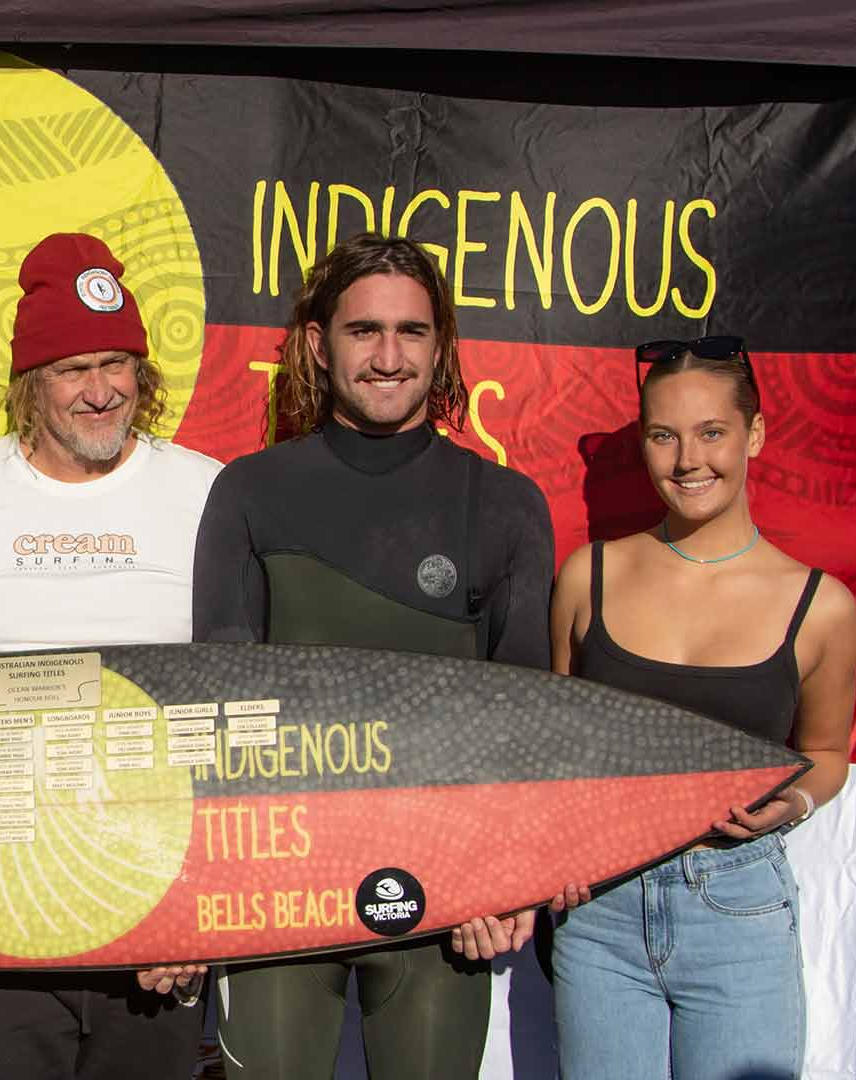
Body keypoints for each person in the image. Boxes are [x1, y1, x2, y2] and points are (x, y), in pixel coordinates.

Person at [192, 231, 556, 1078]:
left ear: (442, 345)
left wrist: (504, 876)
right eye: (364, 331)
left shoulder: (502, 504)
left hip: (443, 896)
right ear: (319, 345)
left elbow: (525, 721)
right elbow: (222, 714)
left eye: (412, 332)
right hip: (280, 886)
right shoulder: (249, 491)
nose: (389, 357)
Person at [0, 231, 223, 1079]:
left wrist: (197, 913)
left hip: (156, 918)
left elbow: (234, 716)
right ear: (29, 383)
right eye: (74, 367)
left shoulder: (211, 493)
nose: (101, 390)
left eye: (117, 363)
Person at [545, 335, 856, 1080]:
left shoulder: (820, 607)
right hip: (600, 915)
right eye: (664, 435)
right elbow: (554, 744)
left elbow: (828, 752)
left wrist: (795, 805)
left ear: (753, 434)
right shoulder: (588, 575)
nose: (689, 460)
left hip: (739, 913)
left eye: (712, 432)